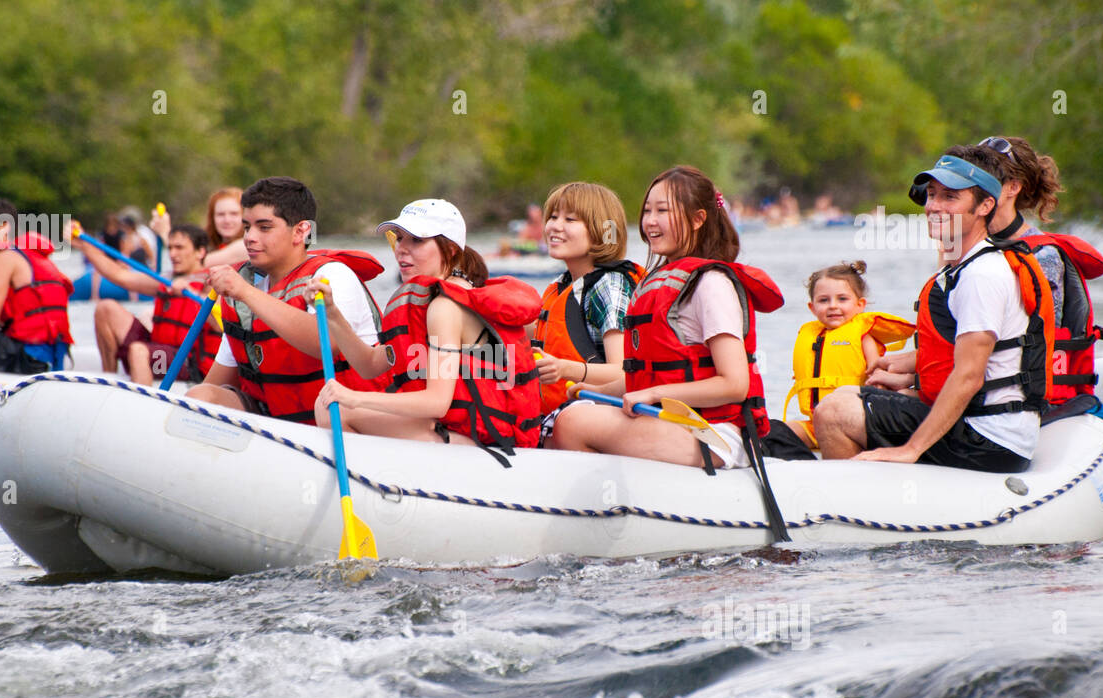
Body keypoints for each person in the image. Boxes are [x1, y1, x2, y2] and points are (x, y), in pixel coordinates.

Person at [813, 146, 1055, 471]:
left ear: (985, 205)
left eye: (950, 197)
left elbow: (968, 377)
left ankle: (847, 513)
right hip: (979, 421)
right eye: (931, 194)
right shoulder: (962, 265)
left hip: (991, 437)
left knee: (834, 413)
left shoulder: (982, 274)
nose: (933, 207)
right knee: (843, 395)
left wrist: (910, 449)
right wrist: (910, 375)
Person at [552, 166, 784, 470]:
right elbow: (645, 377)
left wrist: (655, 393)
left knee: (574, 422)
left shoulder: (711, 284)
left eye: (662, 210)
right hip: (672, 421)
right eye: (647, 210)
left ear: (698, 218)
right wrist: (593, 390)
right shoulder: (656, 283)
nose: (650, 221)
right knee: (575, 409)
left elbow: (735, 384)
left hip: (717, 434)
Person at [307, 199, 542, 456]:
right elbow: (369, 365)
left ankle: (375, 484)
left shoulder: (446, 307)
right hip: (457, 433)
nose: (401, 249)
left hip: (489, 445)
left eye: (416, 240)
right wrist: (332, 312)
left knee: (335, 408)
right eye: (398, 237)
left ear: (451, 250)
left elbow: (437, 403)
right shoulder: (424, 303)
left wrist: (355, 399)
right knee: (331, 405)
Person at [186, 177, 384, 423]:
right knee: (201, 396)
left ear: (301, 231)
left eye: (264, 227)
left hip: (341, 421)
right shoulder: (244, 287)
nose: (249, 237)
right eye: (247, 227)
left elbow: (326, 343)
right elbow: (218, 381)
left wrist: (245, 293)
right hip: (277, 421)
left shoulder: (332, 275)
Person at [975, 136, 1103, 409]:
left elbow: (1020, 341)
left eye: (984, 178)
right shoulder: (971, 247)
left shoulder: (1043, 257)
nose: (973, 185)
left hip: (1025, 398)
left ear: (1012, 187)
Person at [529, 182, 642, 439]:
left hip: (596, 416)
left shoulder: (609, 285)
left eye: (570, 219)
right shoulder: (562, 285)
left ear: (603, 232)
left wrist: (565, 369)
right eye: (553, 217)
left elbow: (624, 371)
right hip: (559, 412)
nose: (555, 226)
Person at [781, 261, 914, 448]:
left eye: (842, 299)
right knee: (777, 431)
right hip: (815, 424)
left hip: (851, 421)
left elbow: (877, 374)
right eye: (823, 300)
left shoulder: (863, 337)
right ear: (812, 307)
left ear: (860, 305)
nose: (833, 306)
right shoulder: (809, 334)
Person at [80, 223, 222, 385]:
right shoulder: (167, 280)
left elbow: (220, 324)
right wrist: (85, 246)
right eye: (170, 248)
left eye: (180, 248)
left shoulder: (211, 282)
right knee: (106, 308)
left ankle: (143, 405)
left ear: (200, 252)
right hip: (159, 356)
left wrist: (192, 292)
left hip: (188, 363)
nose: (173, 254)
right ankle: (108, 380)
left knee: (139, 350)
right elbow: (120, 276)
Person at [0, 197, 74, 373]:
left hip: (27, 359)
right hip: (51, 357)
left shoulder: (3, 258)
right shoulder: (29, 255)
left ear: (4, 226)